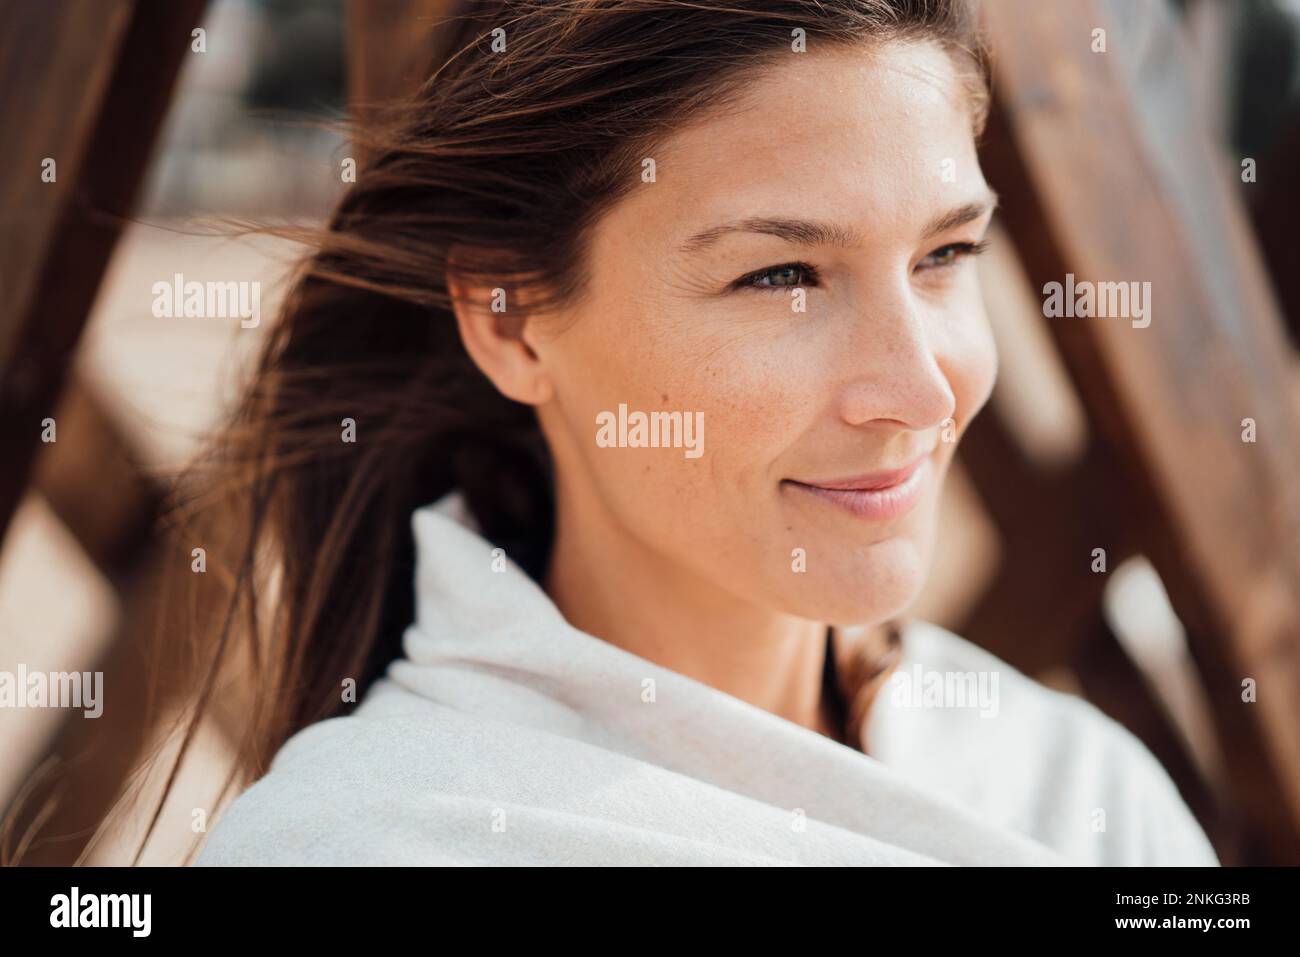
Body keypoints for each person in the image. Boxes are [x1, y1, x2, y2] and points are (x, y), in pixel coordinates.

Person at [183, 0, 1216, 865]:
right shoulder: (358, 846)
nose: (918, 390)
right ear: (508, 319)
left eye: (944, 255)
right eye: (780, 276)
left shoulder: (1080, 793)